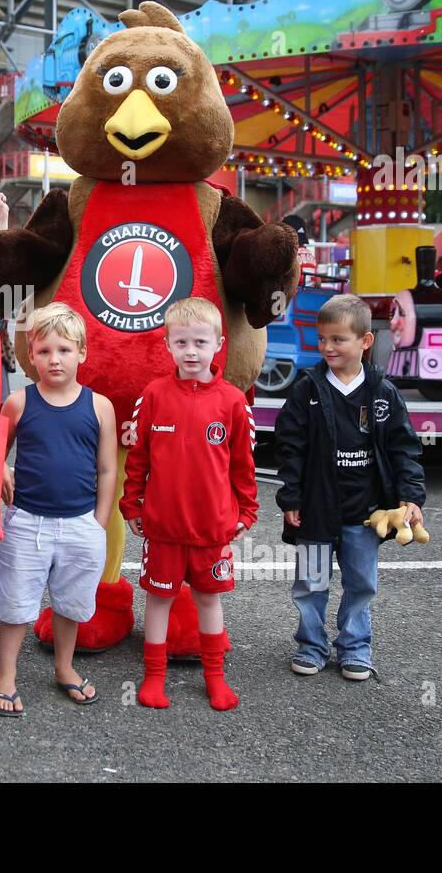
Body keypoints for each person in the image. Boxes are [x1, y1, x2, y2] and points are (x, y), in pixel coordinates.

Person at [274, 294, 426, 681]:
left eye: (338, 339)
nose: (327, 347)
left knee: (362, 582)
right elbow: (290, 447)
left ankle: (356, 647)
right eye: (322, 338)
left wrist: (410, 495)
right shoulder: (306, 389)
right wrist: (291, 495)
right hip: (314, 508)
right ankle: (311, 646)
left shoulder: (383, 393)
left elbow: (403, 448)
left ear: (365, 342)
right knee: (310, 582)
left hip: (366, 511)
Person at [122, 297, 257, 711]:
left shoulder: (234, 401)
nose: (191, 351)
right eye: (182, 343)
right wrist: (133, 505)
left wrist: (246, 510)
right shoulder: (154, 395)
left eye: (201, 342)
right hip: (163, 528)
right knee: (159, 600)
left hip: (210, 528)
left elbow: (243, 464)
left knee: (209, 600)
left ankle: (215, 677)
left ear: (219, 343)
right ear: (167, 345)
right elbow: (138, 457)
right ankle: (154, 677)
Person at [0, 303, 116, 716]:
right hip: (27, 522)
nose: (54, 359)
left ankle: (64, 667)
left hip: (81, 523)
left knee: (71, 603)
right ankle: (6, 675)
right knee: (16, 604)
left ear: (82, 353)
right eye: (43, 351)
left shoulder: (100, 406)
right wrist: (1, 469)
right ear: (31, 356)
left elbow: (107, 467)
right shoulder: (18, 402)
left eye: (63, 350)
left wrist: (98, 523)